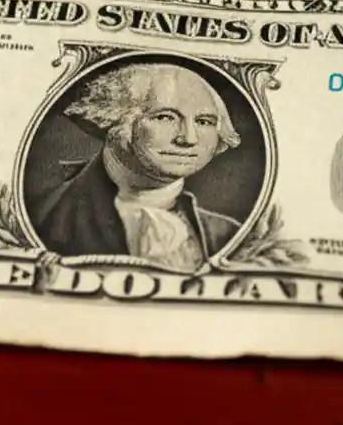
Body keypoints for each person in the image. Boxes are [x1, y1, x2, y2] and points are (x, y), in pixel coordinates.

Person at [29, 62, 243, 273]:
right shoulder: (44, 217)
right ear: (115, 121)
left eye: (204, 121)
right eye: (165, 117)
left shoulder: (230, 234)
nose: (188, 138)